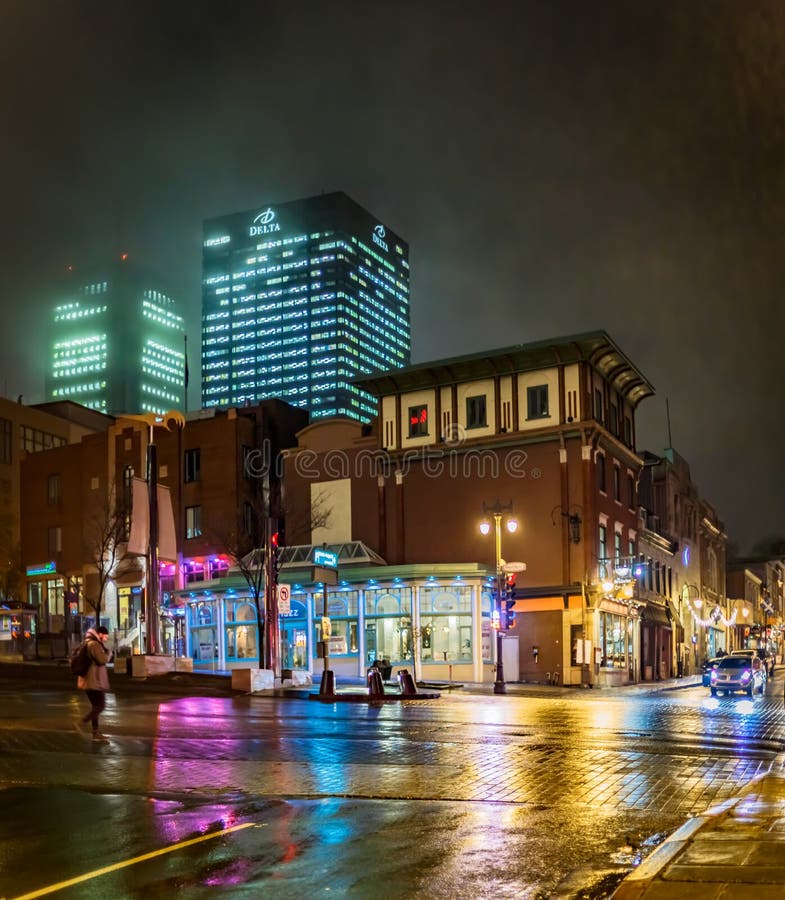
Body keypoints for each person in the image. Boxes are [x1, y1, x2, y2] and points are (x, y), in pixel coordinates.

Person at [77, 625, 113, 742]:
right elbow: (103, 660)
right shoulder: (94, 644)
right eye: (105, 636)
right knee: (100, 706)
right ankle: (82, 722)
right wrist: (109, 653)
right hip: (94, 681)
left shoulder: (88, 642)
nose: (106, 639)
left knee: (96, 707)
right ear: (100, 634)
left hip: (90, 681)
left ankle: (95, 733)